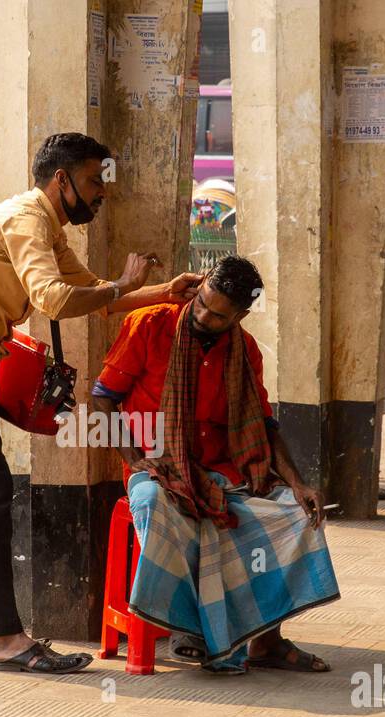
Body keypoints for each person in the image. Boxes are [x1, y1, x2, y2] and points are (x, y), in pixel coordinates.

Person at [0, 132, 202, 675]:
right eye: (92, 181)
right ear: (61, 181)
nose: (100, 193)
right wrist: (121, 285)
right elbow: (52, 299)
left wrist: (160, 292)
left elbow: (94, 293)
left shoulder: (46, 224)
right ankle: (5, 639)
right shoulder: (25, 219)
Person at [90, 256, 339, 674]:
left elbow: (263, 423)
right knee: (158, 504)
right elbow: (102, 399)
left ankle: (265, 641)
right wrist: (136, 460)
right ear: (200, 285)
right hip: (157, 467)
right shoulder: (149, 324)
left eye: (219, 314)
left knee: (293, 514)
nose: (203, 315)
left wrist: (298, 483)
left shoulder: (247, 351)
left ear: (240, 315)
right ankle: (188, 628)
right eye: (202, 302)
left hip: (223, 469)